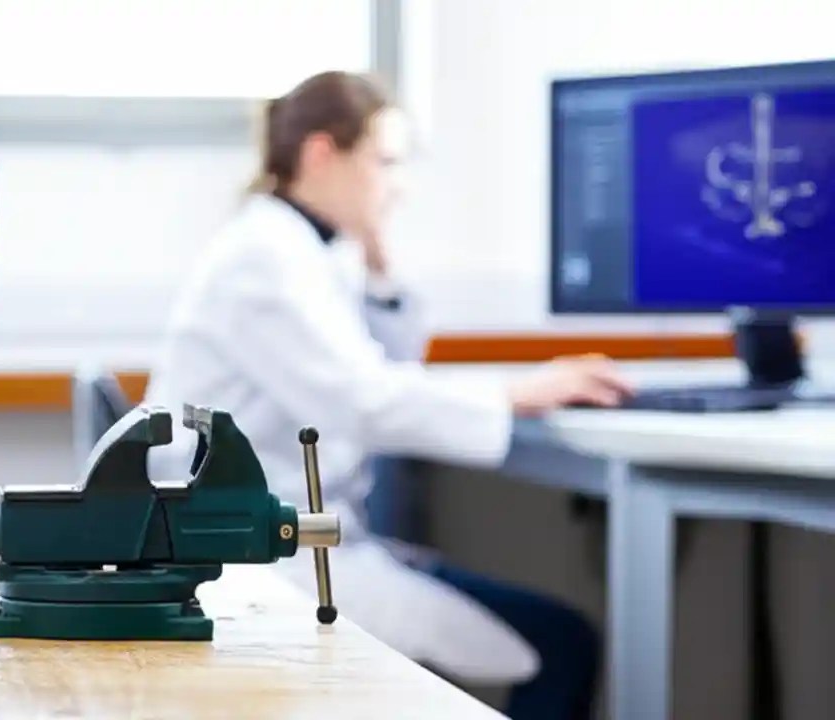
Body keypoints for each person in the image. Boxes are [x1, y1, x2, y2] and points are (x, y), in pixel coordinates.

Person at [142, 70, 633, 720]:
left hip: (308, 543)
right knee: (562, 643)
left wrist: (378, 261)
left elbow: (385, 367)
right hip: (267, 565)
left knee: (551, 636)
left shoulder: (305, 251)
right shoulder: (263, 260)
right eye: (384, 162)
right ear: (322, 154)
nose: (396, 186)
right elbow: (368, 402)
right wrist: (519, 390)